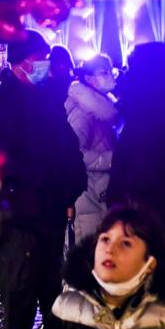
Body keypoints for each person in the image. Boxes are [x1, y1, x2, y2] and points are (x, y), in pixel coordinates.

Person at [0, 31, 87, 329]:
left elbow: (67, 147)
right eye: (41, 58)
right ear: (23, 62)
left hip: (49, 215)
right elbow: (3, 164)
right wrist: (46, 182)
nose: (46, 65)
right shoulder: (1, 105)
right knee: (20, 300)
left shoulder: (46, 100)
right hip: (21, 221)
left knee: (53, 297)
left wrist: (70, 183)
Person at [51, 207, 165, 329]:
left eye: (126, 243)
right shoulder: (67, 308)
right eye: (105, 239)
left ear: (150, 263)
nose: (110, 249)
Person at [108, 43, 165, 242]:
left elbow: (143, 170)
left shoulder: (148, 114)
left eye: (132, 68)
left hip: (147, 220)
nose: (126, 75)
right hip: (162, 214)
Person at [66, 54, 120, 242]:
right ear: (89, 79)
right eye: (103, 72)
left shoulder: (103, 109)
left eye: (110, 71)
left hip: (102, 191)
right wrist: (113, 158)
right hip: (89, 194)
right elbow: (74, 153)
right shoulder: (83, 112)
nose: (110, 76)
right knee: (91, 253)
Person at [43, 44, 76, 109]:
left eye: (64, 62)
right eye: (58, 62)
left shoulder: (74, 82)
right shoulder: (45, 85)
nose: (62, 66)